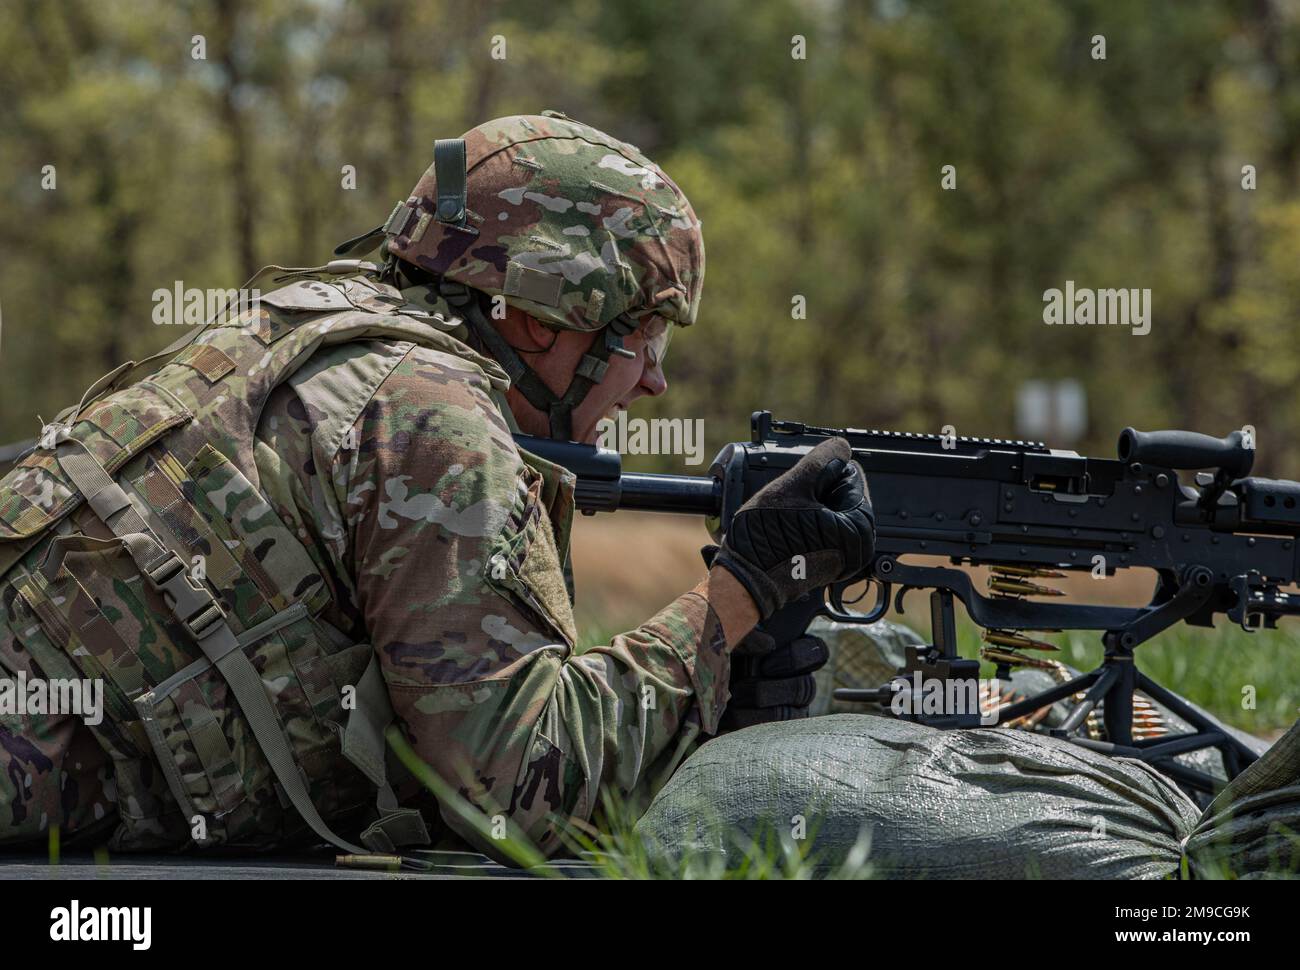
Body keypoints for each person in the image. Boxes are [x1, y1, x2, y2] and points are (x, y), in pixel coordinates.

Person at [0, 112, 874, 861]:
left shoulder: (315, 329)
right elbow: (516, 794)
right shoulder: (427, 413)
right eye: (645, 335)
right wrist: (735, 599)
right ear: (538, 318)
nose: (654, 382)